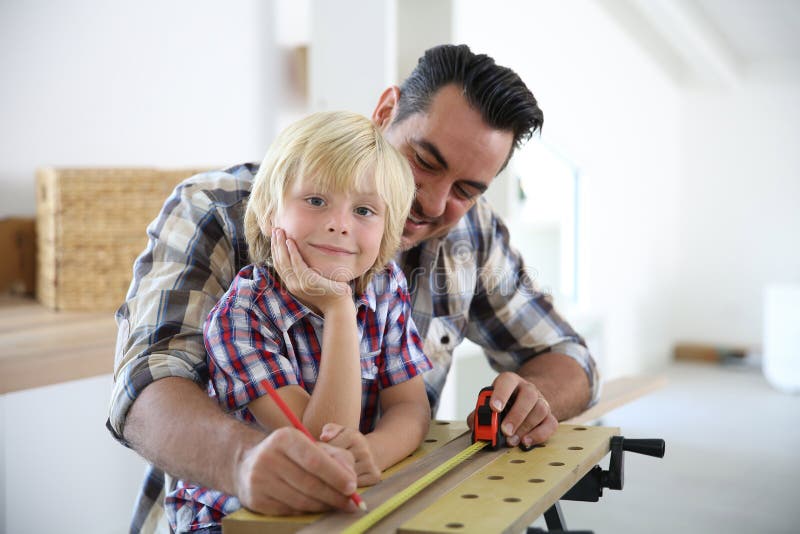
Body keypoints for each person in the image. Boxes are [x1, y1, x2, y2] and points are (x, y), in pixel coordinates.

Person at [109, 44, 599, 531]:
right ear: (385, 112)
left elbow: (569, 357)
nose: (430, 202)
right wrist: (242, 460)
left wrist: (533, 401)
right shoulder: (214, 213)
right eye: (424, 161)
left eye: (467, 190)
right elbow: (146, 385)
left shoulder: (465, 240)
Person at [164, 111, 432, 532]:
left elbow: (411, 407)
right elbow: (317, 446)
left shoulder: (386, 288)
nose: (339, 224)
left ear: (388, 231)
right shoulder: (243, 314)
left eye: (364, 210)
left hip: (334, 505)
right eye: (316, 201)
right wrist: (339, 309)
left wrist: (371, 453)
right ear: (271, 213)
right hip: (233, 519)